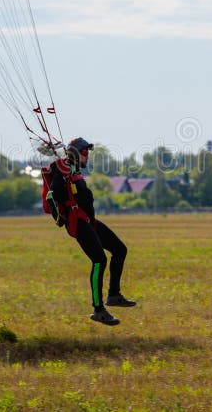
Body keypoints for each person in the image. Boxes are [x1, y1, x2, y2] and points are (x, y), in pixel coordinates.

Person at [45, 137, 136, 326]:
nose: (88, 156)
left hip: (89, 221)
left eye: (88, 152)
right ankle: (98, 309)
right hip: (78, 223)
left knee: (120, 249)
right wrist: (58, 218)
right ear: (75, 153)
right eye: (84, 152)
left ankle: (114, 295)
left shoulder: (74, 170)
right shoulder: (63, 169)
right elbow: (51, 195)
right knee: (99, 260)